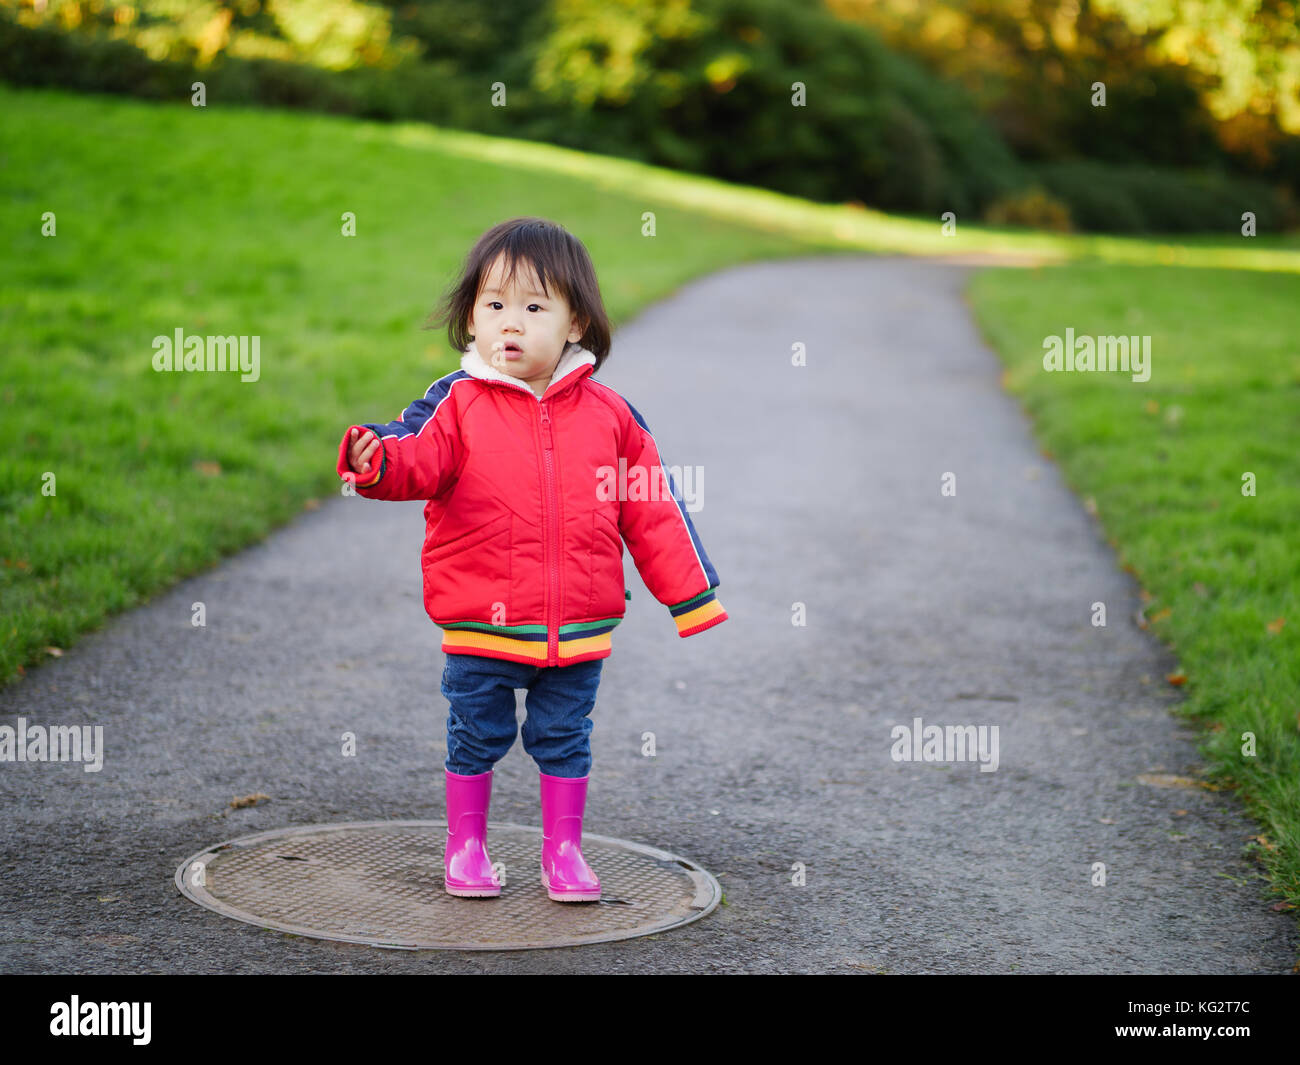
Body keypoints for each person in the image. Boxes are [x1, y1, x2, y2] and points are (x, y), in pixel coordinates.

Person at [336, 217, 729, 902]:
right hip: (479, 624)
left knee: (565, 738)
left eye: (533, 307)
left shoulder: (612, 417)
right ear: (470, 317)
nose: (509, 325)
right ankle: (466, 847)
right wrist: (374, 459)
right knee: (474, 733)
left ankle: (564, 852)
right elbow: (411, 457)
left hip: (577, 630)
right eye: (493, 306)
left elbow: (653, 507)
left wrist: (690, 597)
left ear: (575, 322)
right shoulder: (455, 405)